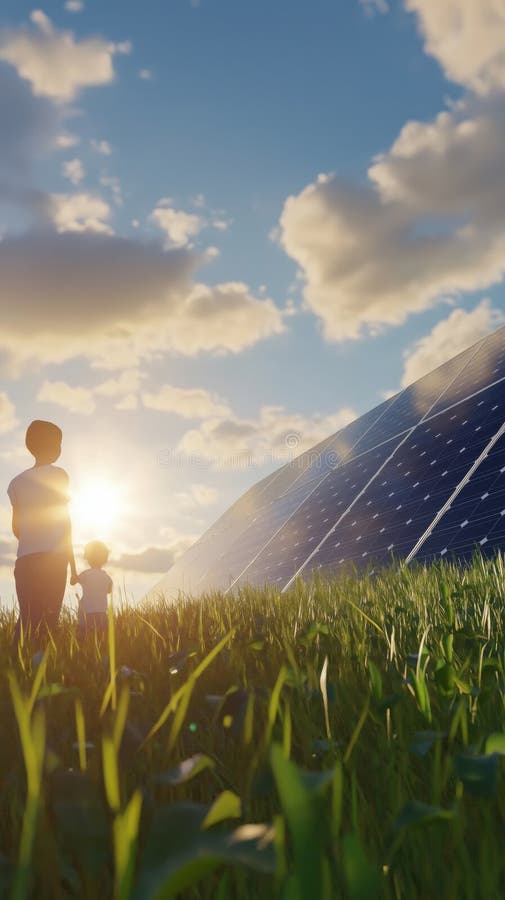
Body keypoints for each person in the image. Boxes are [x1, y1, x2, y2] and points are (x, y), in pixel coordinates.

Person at [7, 420, 77, 642]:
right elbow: (65, 522)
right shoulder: (60, 476)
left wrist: (30, 540)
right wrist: (73, 565)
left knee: (27, 616)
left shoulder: (16, 483)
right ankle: (42, 666)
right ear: (55, 447)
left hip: (26, 560)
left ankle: (16, 664)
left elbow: (16, 527)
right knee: (49, 618)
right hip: (54, 559)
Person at [74, 540, 112, 636]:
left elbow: (73, 582)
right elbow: (109, 590)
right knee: (101, 638)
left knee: (83, 637)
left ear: (88, 558)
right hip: (102, 614)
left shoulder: (86, 574)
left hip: (87, 613)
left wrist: (74, 576)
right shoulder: (106, 577)